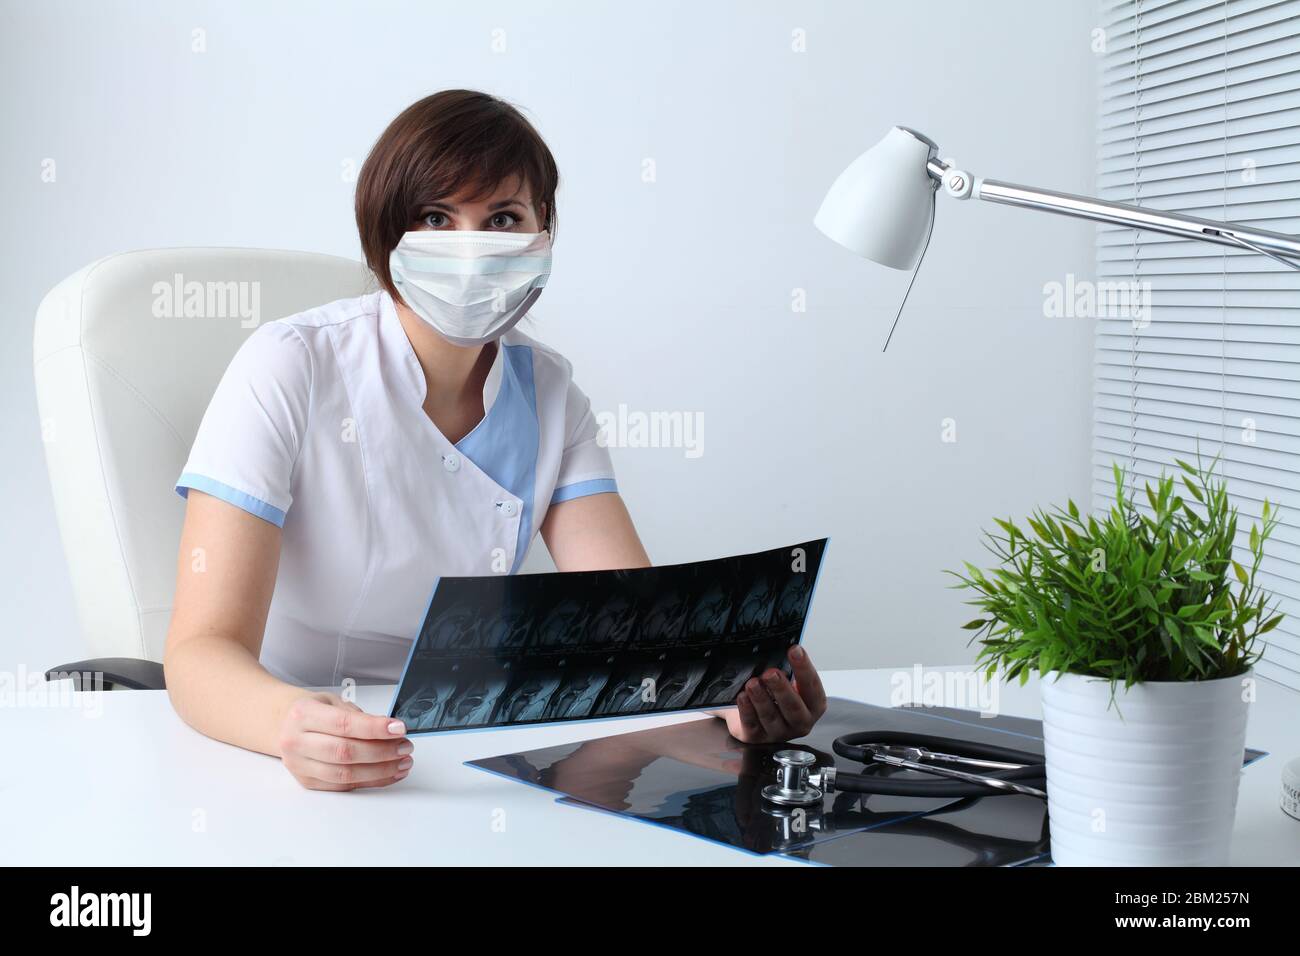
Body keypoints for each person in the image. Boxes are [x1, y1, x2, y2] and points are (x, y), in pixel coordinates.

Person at [163, 89, 826, 791]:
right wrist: (289, 722)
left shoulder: (551, 398)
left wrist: (734, 702)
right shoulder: (290, 363)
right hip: (290, 748)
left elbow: (641, 638)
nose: (472, 251)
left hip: (469, 743)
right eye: (437, 218)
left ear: (543, 237)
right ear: (387, 229)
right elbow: (200, 653)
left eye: (503, 219)